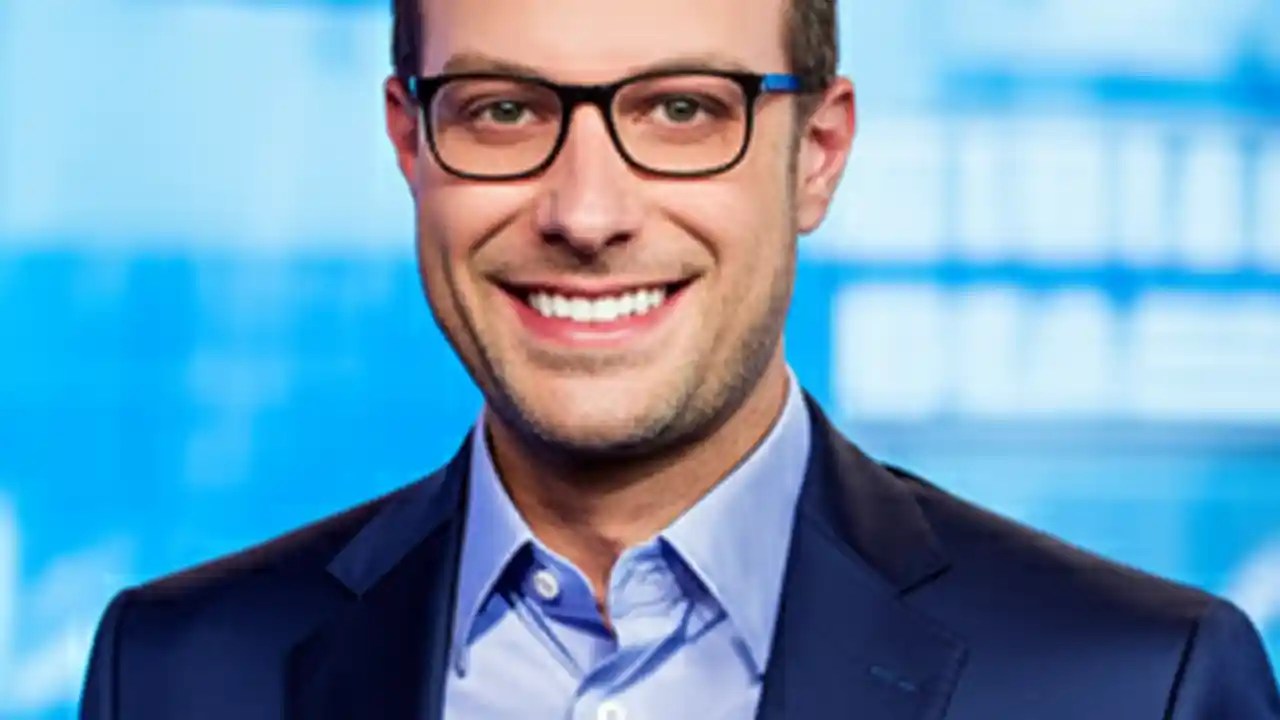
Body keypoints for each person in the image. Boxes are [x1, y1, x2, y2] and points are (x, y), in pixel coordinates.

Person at [80, 0, 1280, 717]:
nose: (586, 212)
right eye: (502, 110)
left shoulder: (1137, 687)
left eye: (680, 111)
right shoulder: (182, 672)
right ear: (410, 143)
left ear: (815, 153)